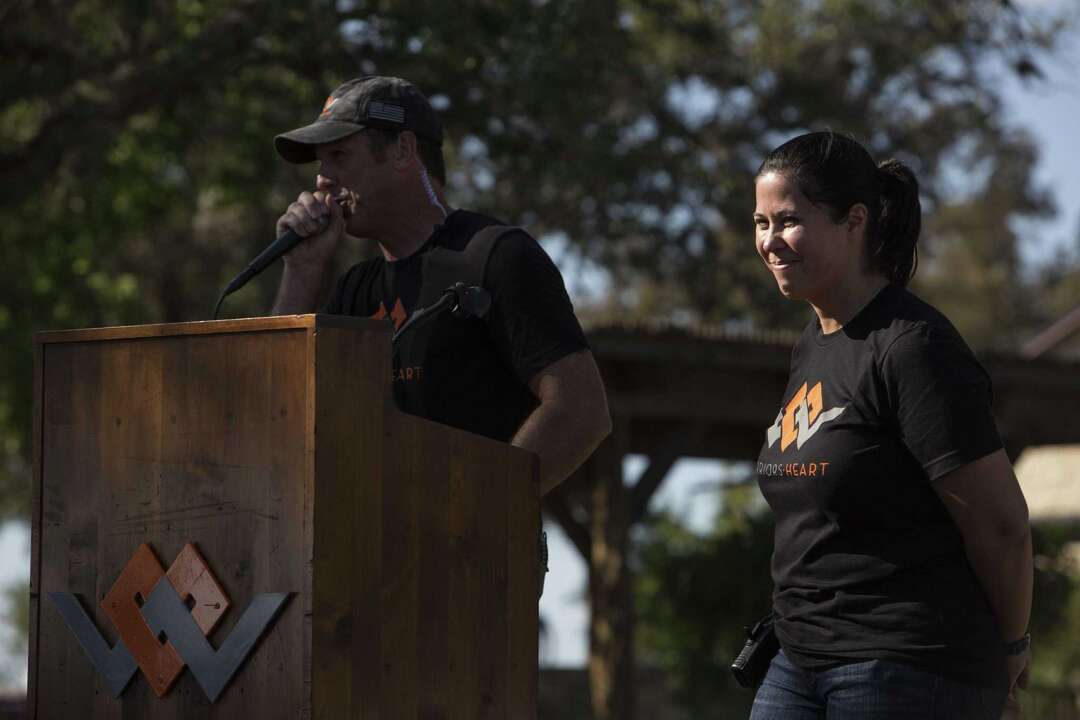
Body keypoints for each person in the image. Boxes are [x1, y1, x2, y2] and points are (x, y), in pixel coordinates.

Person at [749, 131, 1032, 719]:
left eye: (788, 221)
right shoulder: (811, 346)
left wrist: (1009, 650)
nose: (770, 242)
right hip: (798, 659)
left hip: (906, 664)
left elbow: (1003, 528)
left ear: (854, 221)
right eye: (760, 223)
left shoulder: (913, 347)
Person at [270, 75, 611, 501]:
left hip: (472, 559)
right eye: (320, 163)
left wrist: (471, 515)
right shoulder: (355, 289)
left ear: (402, 151)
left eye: (339, 155)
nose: (322, 180)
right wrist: (299, 271)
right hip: (364, 554)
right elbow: (275, 413)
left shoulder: (496, 256)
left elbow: (580, 410)